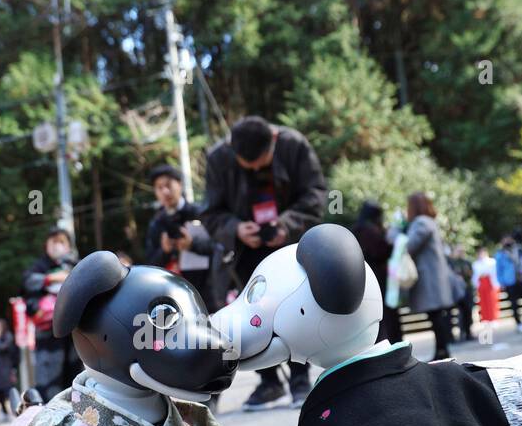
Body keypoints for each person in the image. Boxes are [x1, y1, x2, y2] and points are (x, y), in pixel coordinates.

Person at [201, 115, 327, 409]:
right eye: (250, 166)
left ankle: (300, 379)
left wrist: (286, 224)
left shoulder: (294, 145)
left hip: (290, 246)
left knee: (295, 310)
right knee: (250, 317)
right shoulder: (219, 158)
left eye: (262, 162)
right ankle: (269, 382)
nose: (257, 169)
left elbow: (317, 194)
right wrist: (235, 228)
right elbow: (209, 213)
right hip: (244, 252)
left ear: (273, 139)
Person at [143, 164, 223, 310]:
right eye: (159, 188)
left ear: (179, 184)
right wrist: (164, 251)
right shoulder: (156, 224)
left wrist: (192, 244)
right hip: (173, 293)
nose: (165, 191)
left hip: (208, 290)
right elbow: (150, 264)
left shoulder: (199, 213)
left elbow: (220, 248)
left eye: (168, 185)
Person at [24, 227, 82, 401]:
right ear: (46, 245)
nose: (57, 246)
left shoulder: (77, 265)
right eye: (53, 241)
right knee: (49, 377)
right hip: (48, 332)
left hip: (74, 331)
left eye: (62, 241)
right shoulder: (39, 267)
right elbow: (27, 283)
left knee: (76, 377)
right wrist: (51, 279)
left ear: (69, 245)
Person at [402, 192, 456, 361]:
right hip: (435, 277)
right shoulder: (429, 222)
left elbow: (408, 246)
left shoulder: (421, 223)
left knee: (436, 316)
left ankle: (442, 351)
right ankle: (442, 350)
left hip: (429, 278)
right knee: (437, 316)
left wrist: (396, 229)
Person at [352, 201, 400, 343]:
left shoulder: (358, 229)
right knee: (387, 315)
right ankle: (392, 341)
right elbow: (380, 251)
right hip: (379, 278)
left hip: (367, 278)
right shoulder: (369, 230)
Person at [447, 244, 475, 343]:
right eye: (459, 251)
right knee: (459, 313)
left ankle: (468, 332)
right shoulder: (452, 263)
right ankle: (460, 333)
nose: (460, 253)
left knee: (468, 312)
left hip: (467, 290)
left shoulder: (467, 262)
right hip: (457, 291)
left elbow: (471, 274)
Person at [471, 247, 501, 328]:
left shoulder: (492, 262)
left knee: (492, 301)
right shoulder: (476, 264)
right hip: (481, 283)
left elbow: (494, 273)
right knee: (483, 302)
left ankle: (494, 319)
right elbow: (475, 276)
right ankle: (485, 319)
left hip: (490, 282)